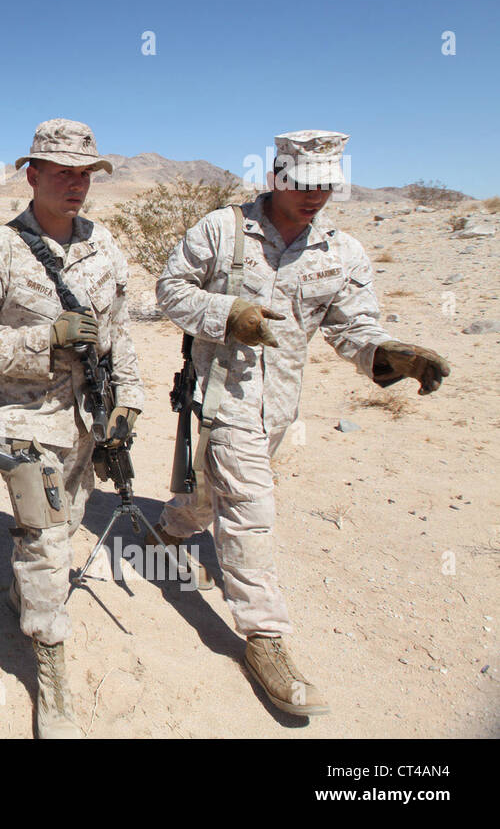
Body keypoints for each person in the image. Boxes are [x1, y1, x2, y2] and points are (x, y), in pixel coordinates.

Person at [153, 129, 450, 717]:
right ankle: (265, 638)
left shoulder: (342, 253)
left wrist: (391, 356)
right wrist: (227, 313)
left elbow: (353, 329)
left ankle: (171, 528)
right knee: (251, 509)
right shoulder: (222, 230)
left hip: (279, 407)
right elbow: (169, 290)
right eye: (303, 184)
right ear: (275, 179)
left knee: (215, 495)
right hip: (221, 399)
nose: (315, 196)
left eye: (326, 185)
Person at [0, 118, 143, 738]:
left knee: (64, 526)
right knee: (44, 539)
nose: (75, 185)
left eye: (84, 173)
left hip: (88, 417)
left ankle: (23, 597)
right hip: (25, 417)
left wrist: (130, 401)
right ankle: (51, 669)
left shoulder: (104, 244)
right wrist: (47, 337)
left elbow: (120, 334)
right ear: (30, 174)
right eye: (61, 172)